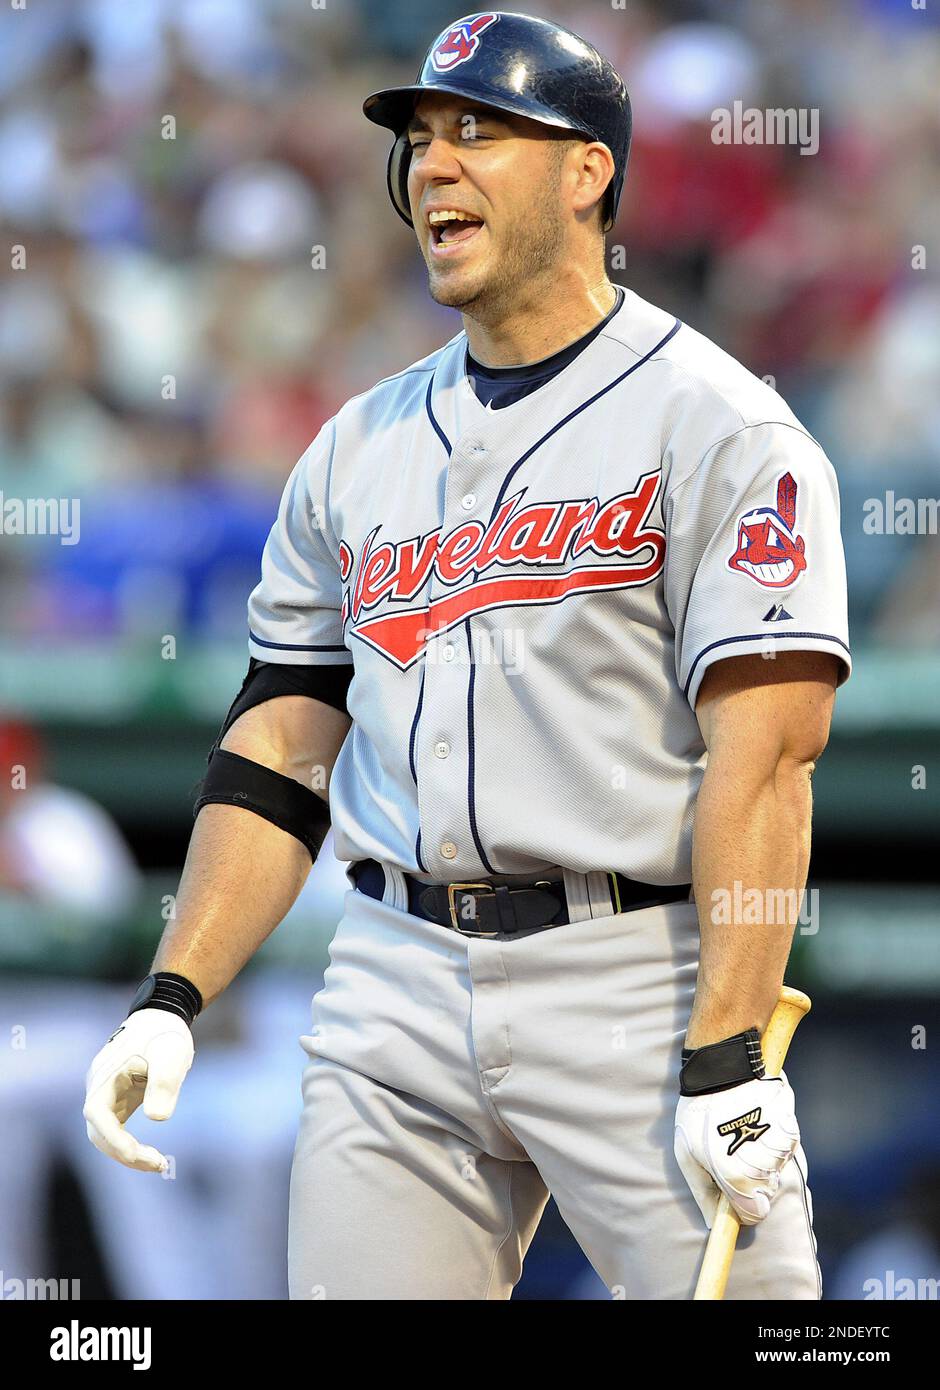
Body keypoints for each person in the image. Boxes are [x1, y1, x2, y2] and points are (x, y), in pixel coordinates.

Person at [83, 12, 850, 1300]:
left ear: (587, 171)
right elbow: (280, 743)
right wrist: (175, 993)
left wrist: (728, 1053)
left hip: (636, 976)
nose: (432, 167)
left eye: (478, 132)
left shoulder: (723, 427)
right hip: (395, 980)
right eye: (421, 141)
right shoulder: (354, 446)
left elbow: (768, 762)